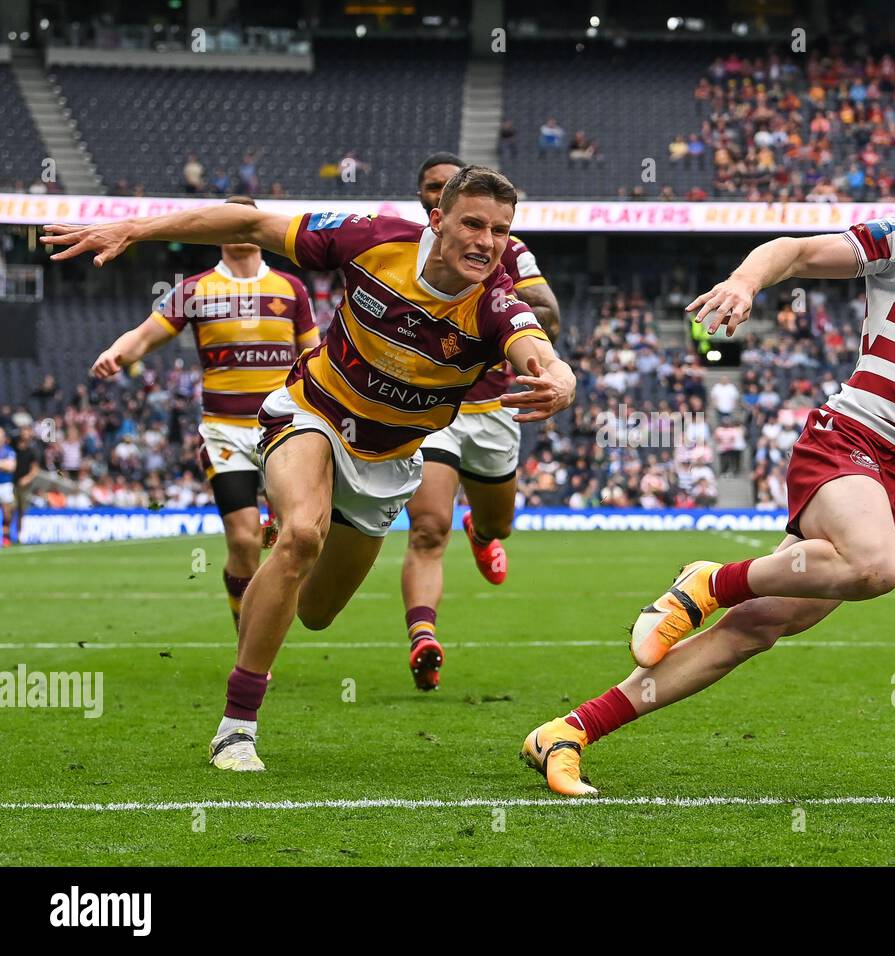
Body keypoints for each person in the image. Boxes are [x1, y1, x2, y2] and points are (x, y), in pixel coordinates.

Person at [520, 125, 895, 796]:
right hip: (851, 441)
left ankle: (568, 732)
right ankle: (710, 581)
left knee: (753, 631)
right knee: (874, 569)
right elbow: (799, 250)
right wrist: (746, 282)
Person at [43, 165, 576, 774]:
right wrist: (135, 229)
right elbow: (248, 220)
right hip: (311, 413)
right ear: (437, 219)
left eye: (500, 230)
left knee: (317, 613)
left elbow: (539, 350)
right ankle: (236, 728)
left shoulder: (498, 303)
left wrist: (561, 378)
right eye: (473, 224)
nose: (486, 241)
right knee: (299, 535)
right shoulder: (374, 237)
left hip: (389, 460)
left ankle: (296, 546)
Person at [89, 196, 319, 630]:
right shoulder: (195, 289)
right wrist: (115, 354)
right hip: (225, 434)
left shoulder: (291, 288)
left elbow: (313, 356)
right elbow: (144, 336)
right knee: (244, 538)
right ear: (214, 230)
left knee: (298, 535)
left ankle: (274, 594)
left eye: (244, 221)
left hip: (283, 431)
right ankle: (247, 635)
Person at [401, 153, 562, 690]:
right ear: (432, 205)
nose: (434, 195)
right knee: (427, 527)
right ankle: (423, 635)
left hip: (493, 410)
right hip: (429, 410)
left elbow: (550, 315)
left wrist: (500, 320)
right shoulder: (398, 251)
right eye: (430, 188)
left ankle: (482, 530)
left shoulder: (509, 253)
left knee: (499, 524)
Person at [0, 428, 15, 546]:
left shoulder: (8, 451)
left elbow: (11, 467)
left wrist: (4, 464)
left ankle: (6, 536)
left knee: (7, 512)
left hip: (5, 484)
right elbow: (6, 465)